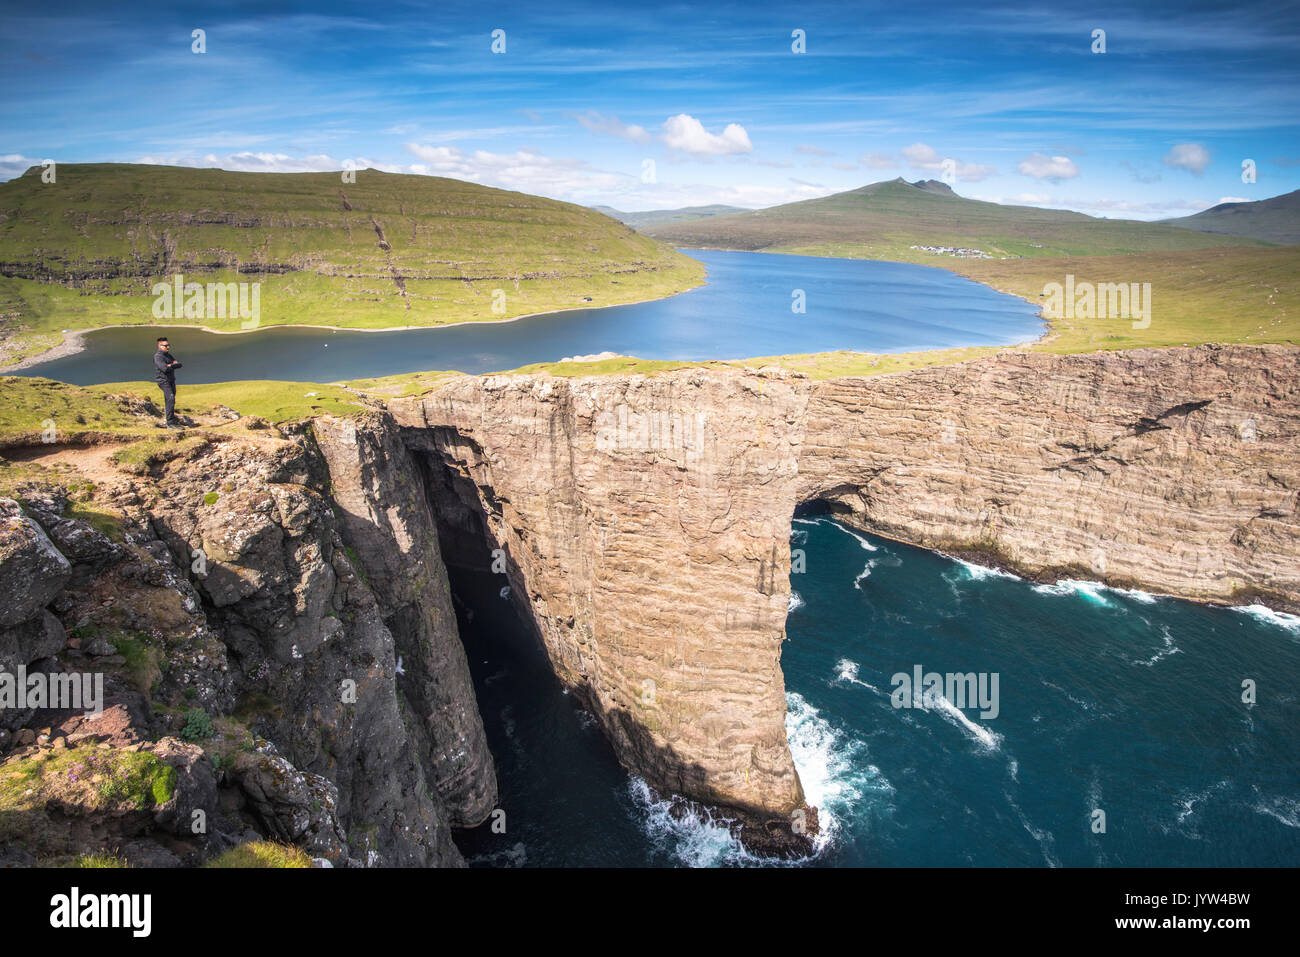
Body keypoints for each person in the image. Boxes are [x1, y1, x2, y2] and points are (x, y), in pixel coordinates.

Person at [153, 337, 183, 428]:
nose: (168, 347)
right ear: (159, 345)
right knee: (170, 398)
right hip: (163, 381)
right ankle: (170, 423)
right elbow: (164, 369)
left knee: (171, 400)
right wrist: (172, 365)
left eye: (168, 345)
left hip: (171, 380)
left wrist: (171, 365)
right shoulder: (158, 356)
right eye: (165, 345)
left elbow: (179, 364)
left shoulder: (168, 355)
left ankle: (171, 420)